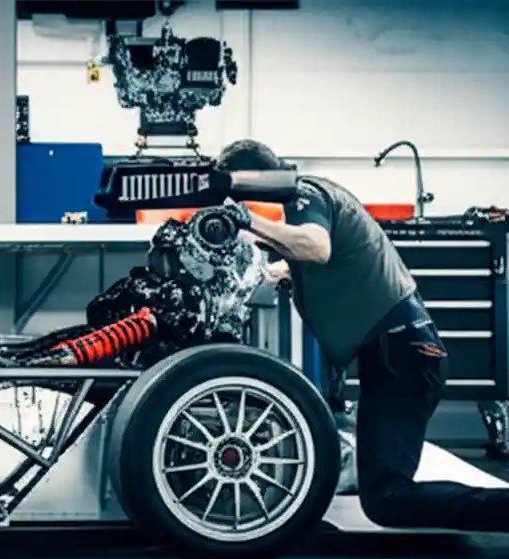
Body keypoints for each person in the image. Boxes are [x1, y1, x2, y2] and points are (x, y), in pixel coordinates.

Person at [216, 138, 509, 531]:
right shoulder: (311, 196)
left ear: (252, 180)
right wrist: (285, 270)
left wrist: (244, 219)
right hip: (399, 352)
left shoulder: (305, 194)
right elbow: (330, 258)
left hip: (404, 354)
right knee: (384, 495)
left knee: (388, 497)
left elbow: (317, 248)